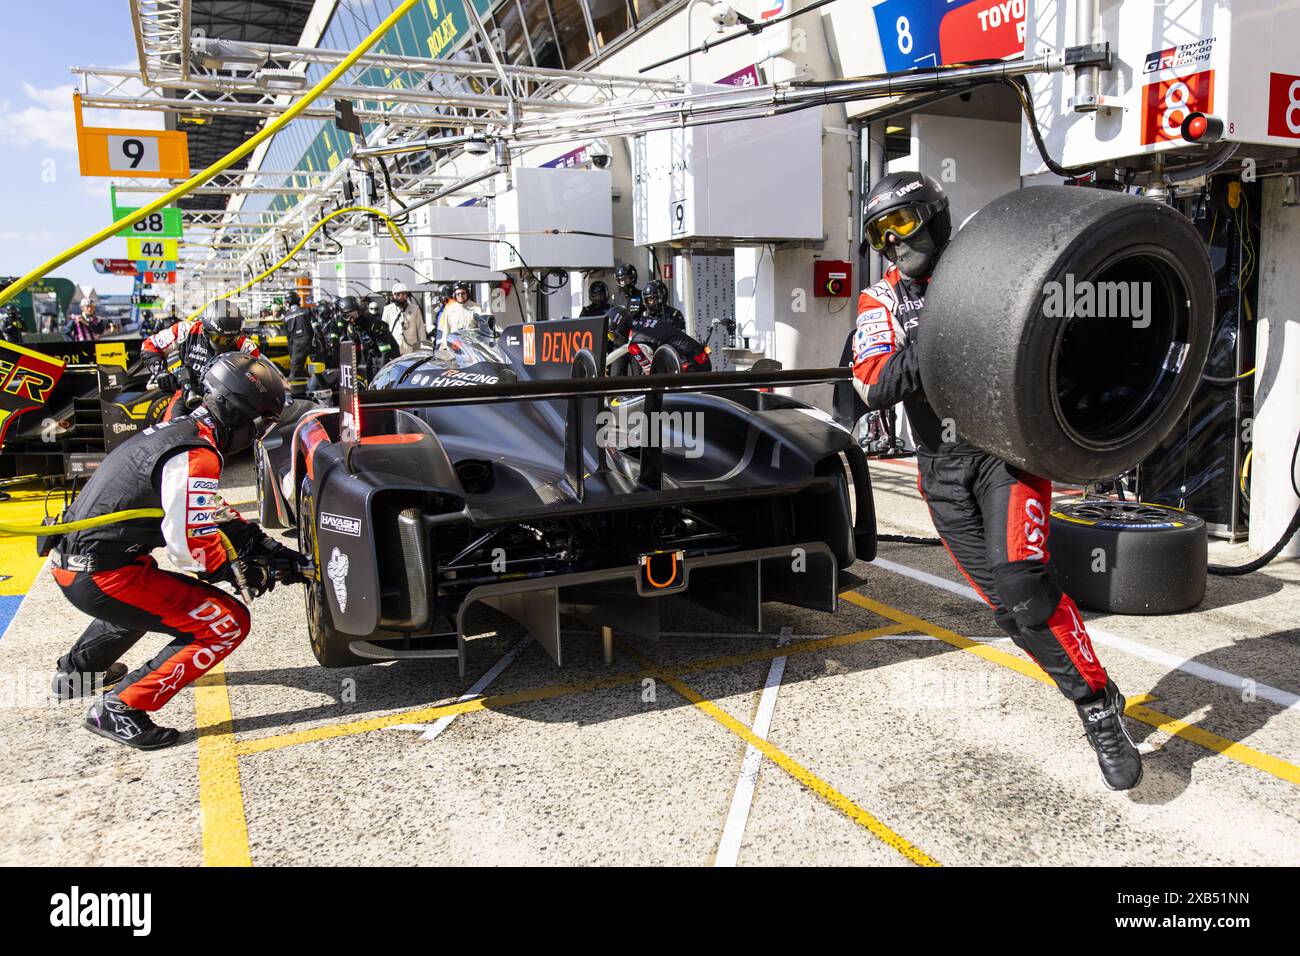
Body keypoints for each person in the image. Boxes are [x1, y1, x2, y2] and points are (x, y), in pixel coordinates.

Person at [848, 170, 1142, 791]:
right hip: (941, 472)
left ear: (933, 214)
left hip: (1006, 455)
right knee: (1010, 613)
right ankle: (1100, 689)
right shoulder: (881, 299)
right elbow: (874, 383)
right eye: (880, 233)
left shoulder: (992, 262)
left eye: (901, 222)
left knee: (1026, 588)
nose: (894, 242)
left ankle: (1096, 713)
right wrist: (951, 324)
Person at [48, 353, 304, 749]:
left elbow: (210, 511)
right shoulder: (197, 455)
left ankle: (77, 675)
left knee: (150, 596)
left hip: (81, 564)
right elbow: (191, 547)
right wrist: (242, 573)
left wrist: (263, 545)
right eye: (263, 421)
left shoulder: (183, 430)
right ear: (242, 415)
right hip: (100, 576)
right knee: (226, 622)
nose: (260, 432)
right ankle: (119, 708)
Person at [143, 300, 261, 418]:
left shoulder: (247, 347)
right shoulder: (186, 330)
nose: (224, 344)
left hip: (227, 402)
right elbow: (150, 344)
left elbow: (258, 383)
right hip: (189, 392)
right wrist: (159, 370)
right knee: (169, 426)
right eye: (218, 338)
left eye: (230, 340)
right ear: (205, 330)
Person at [609, 305, 711, 373]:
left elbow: (653, 375)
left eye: (611, 336)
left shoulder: (635, 343)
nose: (612, 339)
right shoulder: (644, 321)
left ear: (621, 329)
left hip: (690, 368)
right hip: (701, 358)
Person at [356, 297, 400, 381]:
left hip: (387, 354)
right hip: (373, 353)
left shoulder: (375, 324)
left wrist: (382, 371)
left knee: (383, 380)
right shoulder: (355, 326)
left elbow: (385, 351)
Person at [283, 297, 316, 397]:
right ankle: (313, 390)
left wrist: (291, 354)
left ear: (288, 303)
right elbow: (316, 327)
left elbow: (288, 337)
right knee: (317, 370)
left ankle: (295, 397)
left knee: (294, 374)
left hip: (296, 345)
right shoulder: (306, 310)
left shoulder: (286, 316)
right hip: (310, 342)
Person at [382, 282, 427, 354]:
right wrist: (386, 350)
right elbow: (384, 331)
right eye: (398, 294)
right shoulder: (388, 309)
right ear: (394, 295)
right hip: (395, 346)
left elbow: (420, 329)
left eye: (403, 294)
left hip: (411, 347)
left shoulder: (415, 309)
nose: (401, 296)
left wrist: (423, 348)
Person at [437, 282, 482, 348]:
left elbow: (482, 328)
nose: (460, 296)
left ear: (467, 294)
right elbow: (446, 329)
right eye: (458, 294)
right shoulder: (450, 309)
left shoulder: (476, 308)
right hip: (455, 345)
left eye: (463, 293)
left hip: (471, 346)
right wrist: (445, 346)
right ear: (454, 295)